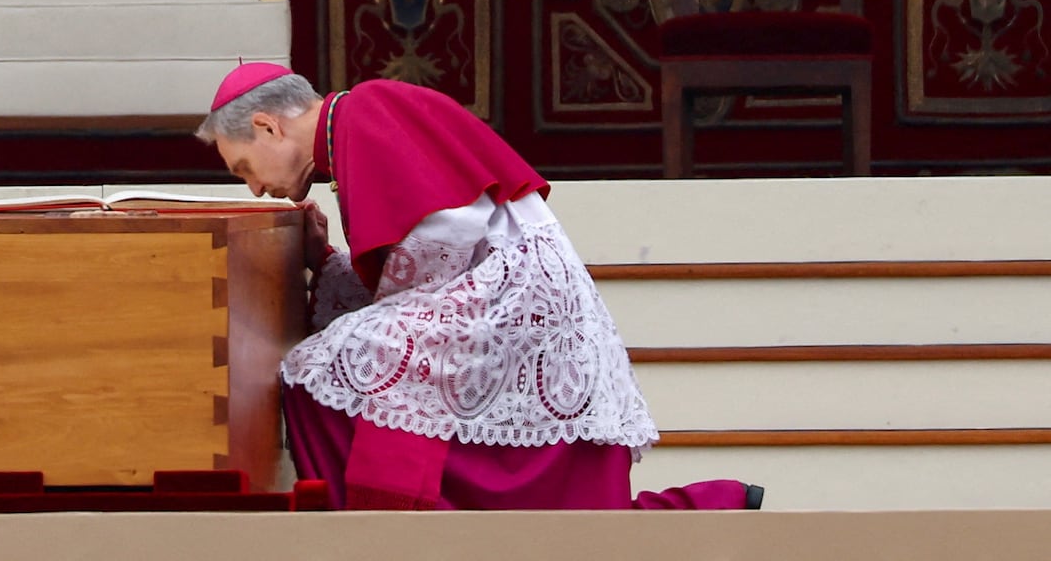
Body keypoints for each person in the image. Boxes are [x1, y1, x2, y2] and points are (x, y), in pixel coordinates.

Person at [197, 64, 758, 512]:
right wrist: (332, 265)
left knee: (314, 369)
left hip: (511, 296)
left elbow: (450, 228)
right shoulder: (348, 129)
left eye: (245, 166)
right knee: (351, 362)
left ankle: (373, 530)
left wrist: (381, 321)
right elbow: (424, 242)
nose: (255, 190)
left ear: (269, 126)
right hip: (508, 294)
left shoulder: (364, 109)